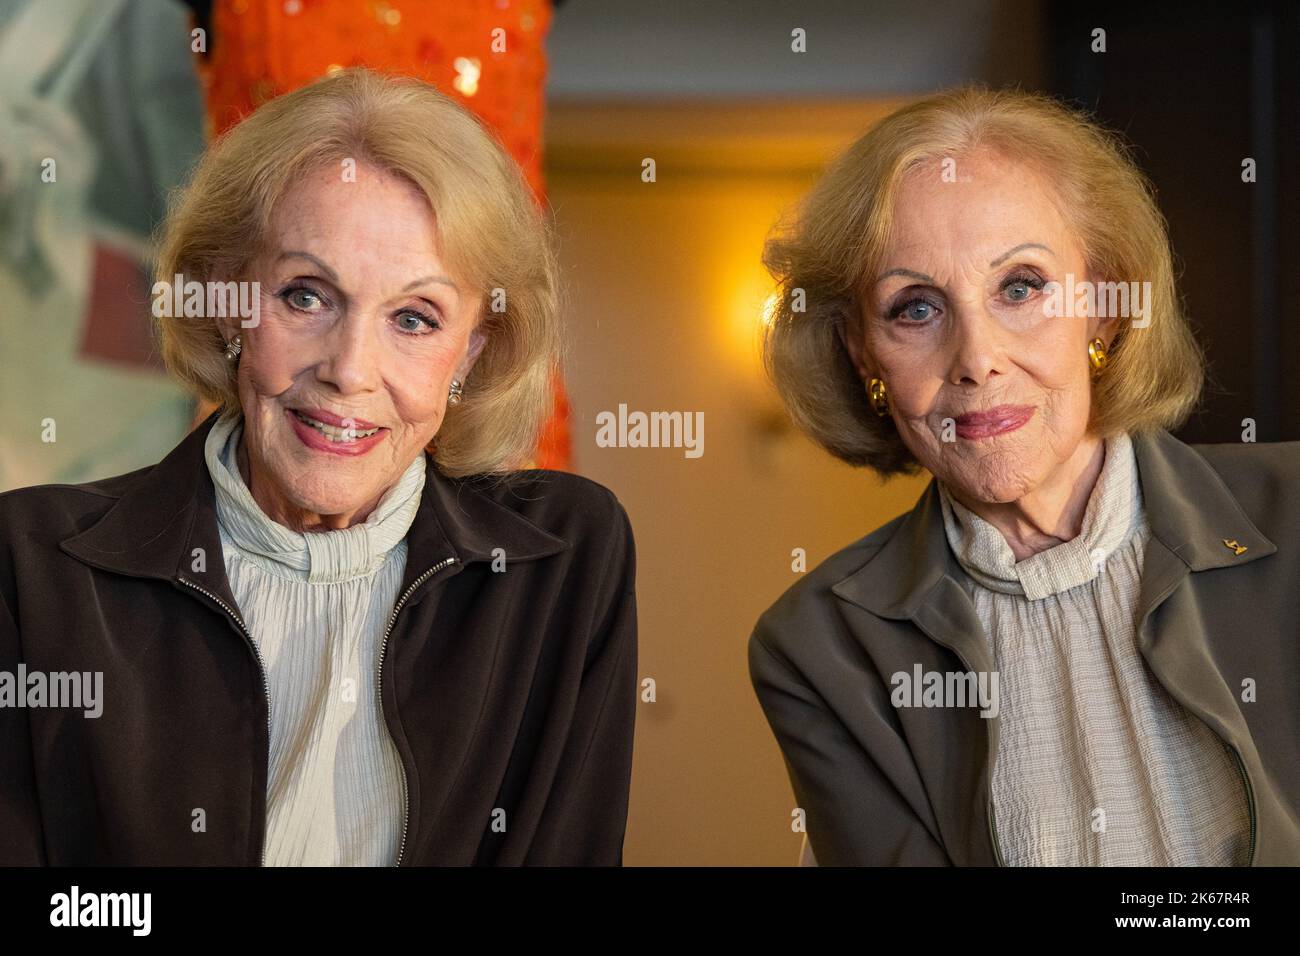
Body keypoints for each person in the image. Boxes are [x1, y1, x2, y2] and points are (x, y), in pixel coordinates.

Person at [0, 68, 637, 866]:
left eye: (415, 317)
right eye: (306, 296)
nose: (350, 370)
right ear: (227, 303)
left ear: (471, 353)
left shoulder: (559, 559)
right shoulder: (32, 565)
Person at [749, 85, 1300, 866]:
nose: (977, 359)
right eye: (914, 308)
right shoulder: (822, 646)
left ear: (1104, 308)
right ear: (860, 352)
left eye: (1020, 287)